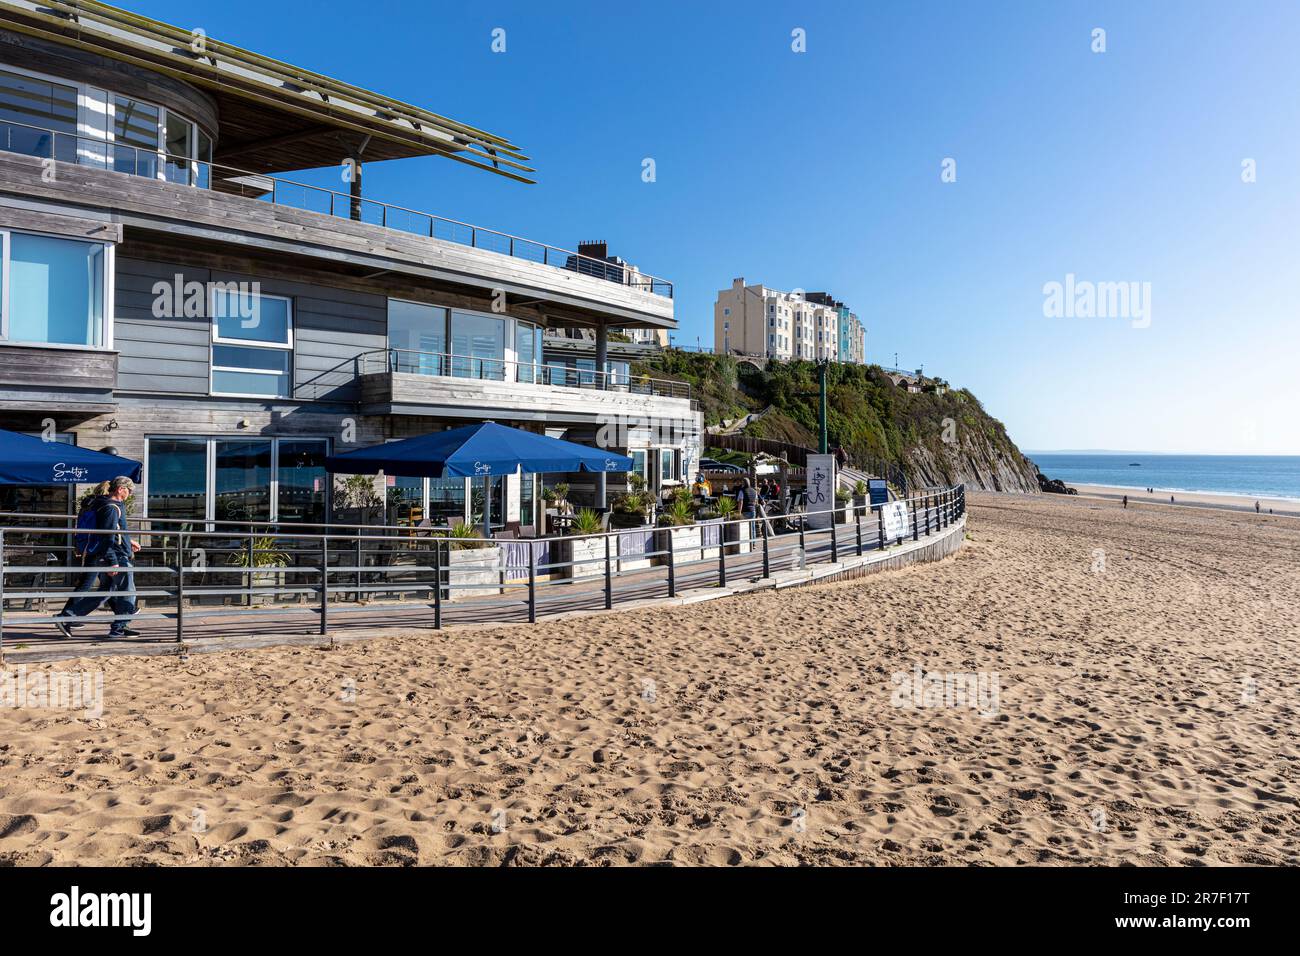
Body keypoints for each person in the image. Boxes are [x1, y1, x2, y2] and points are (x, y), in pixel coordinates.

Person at [54, 476, 141, 639]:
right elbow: (106, 536)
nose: (130, 494)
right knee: (128, 591)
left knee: (105, 592)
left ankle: (67, 618)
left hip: (111, 553)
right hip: (116, 556)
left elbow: (116, 532)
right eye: (129, 490)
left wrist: (129, 542)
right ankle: (119, 626)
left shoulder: (106, 504)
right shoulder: (111, 507)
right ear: (121, 489)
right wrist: (113, 561)